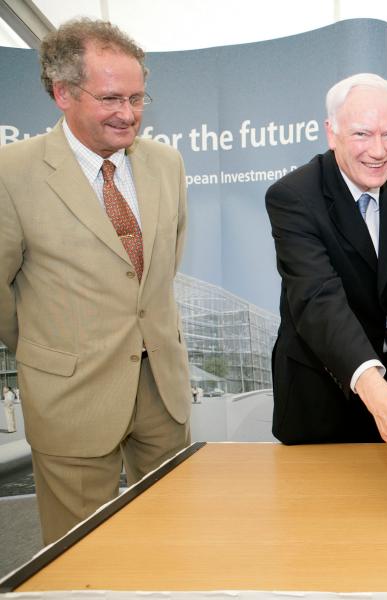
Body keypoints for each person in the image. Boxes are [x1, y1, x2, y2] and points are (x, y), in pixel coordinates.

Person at [0, 18, 191, 544]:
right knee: (80, 555)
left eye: (137, 97)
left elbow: (160, 268)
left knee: (173, 542)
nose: (128, 114)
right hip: (71, 395)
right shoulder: (11, 173)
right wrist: (52, 348)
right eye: (110, 99)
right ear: (62, 93)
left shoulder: (166, 164)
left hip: (162, 390)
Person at [265, 73, 387, 468]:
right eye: (362, 134)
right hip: (319, 394)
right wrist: (373, 386)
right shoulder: (293, 196)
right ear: (332, 132)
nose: (378, 151)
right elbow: (319, 300)